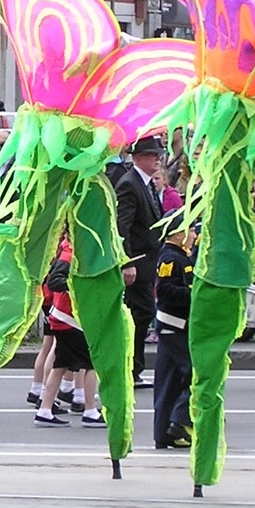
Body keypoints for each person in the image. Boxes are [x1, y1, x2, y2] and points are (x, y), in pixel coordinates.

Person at [33, 238, 102, 429]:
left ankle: (45, 410)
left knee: (60, 364)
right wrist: (80, 285)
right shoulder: (70, 255)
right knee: (90, 363)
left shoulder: (75, 253)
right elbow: (55, 281)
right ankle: (89, 410)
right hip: (68, 318)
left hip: (64, 317)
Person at [112, 134, 164, 387]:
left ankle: (135, 366)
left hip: (147, 260)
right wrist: (127, 261)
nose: (157, 160)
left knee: (142, 313)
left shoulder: (145, 183)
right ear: (139, 158)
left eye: (157, 155)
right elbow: (123, 225)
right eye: (152, 155)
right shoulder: (129, 184)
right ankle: (131, 367)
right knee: (140, 313)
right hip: (138, 262)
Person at [152, 218, 196, 448]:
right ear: (177, 234)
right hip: (173, 325)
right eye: (190, 231)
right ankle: (179, 420)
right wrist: (195, 294)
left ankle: (164, 434)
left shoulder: (180, 256)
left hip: (176, 325)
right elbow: (166, 291)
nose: (193, 235)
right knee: (194, 371)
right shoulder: (170, 258)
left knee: (169, 381)